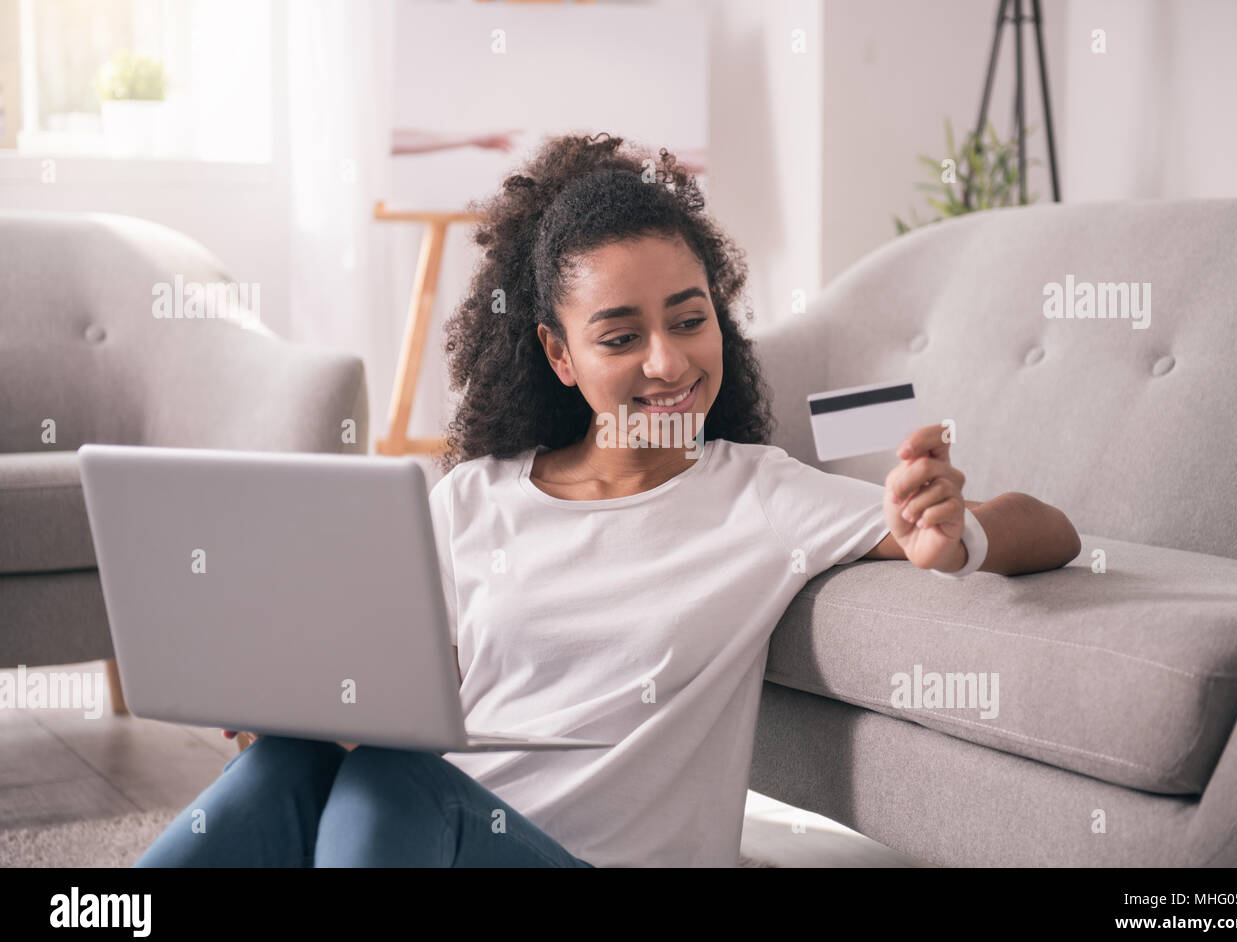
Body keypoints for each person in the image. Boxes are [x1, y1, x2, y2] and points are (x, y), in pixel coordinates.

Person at [135, 132, 1079, 868]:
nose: (667, 363)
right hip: (446, 838)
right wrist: (295, 699)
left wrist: (955, 535)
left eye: (690, 319)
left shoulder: (760, 496)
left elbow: (1056, 531)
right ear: (560, 354)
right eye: (620, 336)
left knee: (388, 788)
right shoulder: (473, 499)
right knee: (288, 765)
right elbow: (388, 702)